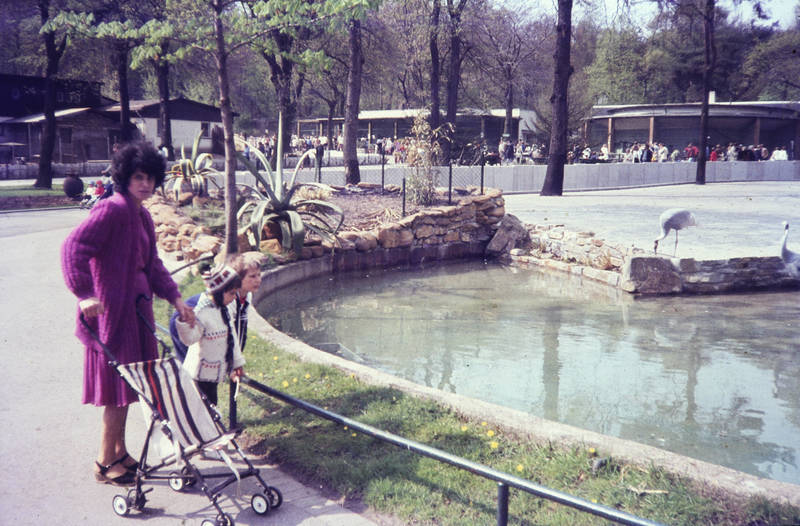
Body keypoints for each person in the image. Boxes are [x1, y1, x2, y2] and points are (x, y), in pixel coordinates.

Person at [61, 141, 196, 487]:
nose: (146, 184)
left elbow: (152, 266)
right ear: (124, 177)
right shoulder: (113, 210)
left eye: (151, 177)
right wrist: (84, 294)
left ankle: (120, 452)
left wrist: (176, 298)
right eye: (138, 176)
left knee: (131, 387)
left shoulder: (142, 215)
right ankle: (105, 461)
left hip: (137, 315)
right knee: (116, 391)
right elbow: (73, 247)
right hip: (113, 315)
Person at [175, 264, 244, 406]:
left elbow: (232, 339)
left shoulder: (224, 309)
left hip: (213, 375)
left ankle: (209, 427)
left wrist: (237, 363)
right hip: (198, 376)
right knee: (201, 410)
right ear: (218, 291)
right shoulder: (202, 312)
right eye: (231, 293)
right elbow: (189, 339)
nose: (234, 297)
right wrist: (184, 323)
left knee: (211, 407)